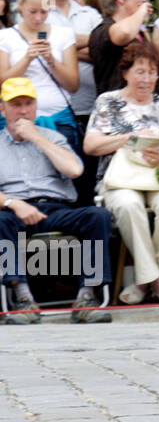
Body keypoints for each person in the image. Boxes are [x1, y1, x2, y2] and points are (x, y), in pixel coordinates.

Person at [83, 41, 159, 304]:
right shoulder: (108, 101)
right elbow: (91, 145)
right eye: (140, 72)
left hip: (156, 176)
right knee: (129, 206)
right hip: (120, 179)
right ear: (126, 73)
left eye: (152, 72)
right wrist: (130, 138)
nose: (146, 79)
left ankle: (143, 280)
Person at [0, 76, 111, 324]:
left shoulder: (53, 137)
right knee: (0, 221)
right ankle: (21, 296)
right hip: (13, 210)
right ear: (2, 108)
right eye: (15, 104)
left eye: (28, 104)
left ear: (35, 107)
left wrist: (36, 137)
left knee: (97, 216)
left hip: (55, 207)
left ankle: (87, 296)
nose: (23, 111)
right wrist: (13, 203)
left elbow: (74, 170)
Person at [36, 0, 101, 200]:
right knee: (61, 175)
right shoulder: (36, 12)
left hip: (90, 107)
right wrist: (84, 45)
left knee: (88, 177)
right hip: (55, 113)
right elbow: (42, 52)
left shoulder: (89, 14)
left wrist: (64, 47)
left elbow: (102, 52)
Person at [0, 0, 80, 148]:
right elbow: (2, 82)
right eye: (32, 11)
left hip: (58, 117)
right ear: (21, 5)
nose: (38, 18)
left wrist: (51, 60)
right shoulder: (5, 36)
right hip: (17, 119)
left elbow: (73, 84)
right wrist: (27, 59)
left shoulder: (63, 34)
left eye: (44, 12)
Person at [88, 0, 158, 95]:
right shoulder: (103, 30)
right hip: (117, 110)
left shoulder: (140, 33)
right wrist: (141, 12)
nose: (143, 0)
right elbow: (124, 33)